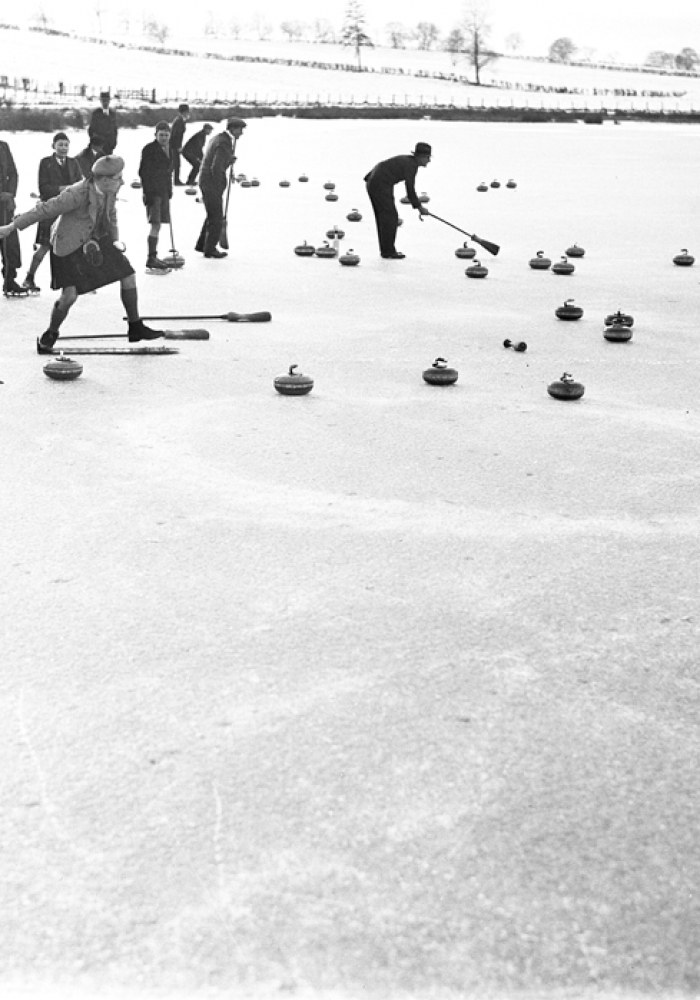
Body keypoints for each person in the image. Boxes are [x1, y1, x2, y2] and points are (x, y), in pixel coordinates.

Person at [0, 155, 165, 353]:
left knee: (127, 274)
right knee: (69, 296)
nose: (122, 181)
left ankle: (135, 326)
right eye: (118, 178)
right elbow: (45, 209)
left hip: (95, 240)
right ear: (104, 179)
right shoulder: (77, 193)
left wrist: (115, 241)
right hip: (67, 244)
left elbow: (111, 216)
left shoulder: (110, 190)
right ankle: (50, 334)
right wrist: (12, 226)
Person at [22, 132, 82, 293]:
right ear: (53, 146)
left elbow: (79, 185)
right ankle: (29, 277)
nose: (63, 148)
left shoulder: (73, 163)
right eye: (60, 144)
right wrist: (62, 189)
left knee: (72, 247)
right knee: (45, 246)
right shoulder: (45, 163)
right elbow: (44, 188)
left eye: (66, 145)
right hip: (50, 209)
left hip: (69, 211)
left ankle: (75, 280)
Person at [364, 142, 431, 259]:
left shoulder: (408, 161)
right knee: (390, 217)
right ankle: (388, 251)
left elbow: (382, 165)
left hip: (373, 182)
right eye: (428, 157)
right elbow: (410, 189)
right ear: (421, 157)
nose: (429, 161)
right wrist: (420, 208)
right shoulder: (411, 165)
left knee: (385, 217)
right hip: (380, 185)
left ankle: (386, 250)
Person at [195, 117, 246, 259]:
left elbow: (216, 161)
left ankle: (202, 244)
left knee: (212, 214)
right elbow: (216, 166)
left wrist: (228, 160)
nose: (241, 133)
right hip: (211, 182)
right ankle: (210, 249)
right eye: (240, 129)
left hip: (205, 179)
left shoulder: (218, 138)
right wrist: (219, 185)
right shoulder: (224, 143)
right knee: (217, 216)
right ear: (233, 129)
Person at [138, 121, 174, 272]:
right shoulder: (149, 149)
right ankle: (151, 257)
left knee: (159, 224)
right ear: (155, 135)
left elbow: (168, 172)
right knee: (155, 224)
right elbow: (143, 173)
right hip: (153, 193)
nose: (164, 137)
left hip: (163, 192)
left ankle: (153, 256)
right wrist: (148, 193)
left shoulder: (169, 150)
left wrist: (169, 189)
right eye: (161, 135)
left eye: (166, 135)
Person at [0, 137, 24, 296]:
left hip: (3, 204)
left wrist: (10, 193)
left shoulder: (3, 147)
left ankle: (10, 280)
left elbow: (13, 173)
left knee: (9, 243)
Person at [88, 91, 118, 155]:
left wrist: (113, 143)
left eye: (107, 100)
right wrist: (96, 144)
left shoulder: (112, 114)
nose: (105, 102)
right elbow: (91, 130)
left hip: (109, 147)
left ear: (109, 101)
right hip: (98, 148)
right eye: (103, 100)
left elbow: (114, 129)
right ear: (101, 101)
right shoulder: (96, 114)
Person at [170, 103, 190, 185]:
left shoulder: (180, 120)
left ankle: (175, 180)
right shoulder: (179, 121)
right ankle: (175, 181)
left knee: (174, 164)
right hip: (173, 146)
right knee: (175, 164)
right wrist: (178, 147)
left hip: (173, 145)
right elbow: (176, 135)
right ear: (184, 112)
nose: (188, 114)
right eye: (187, 112)